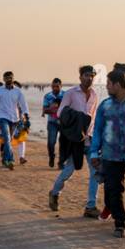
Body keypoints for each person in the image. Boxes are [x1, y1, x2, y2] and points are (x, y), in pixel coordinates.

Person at [89, 69, 125, 237]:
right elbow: (98, 130)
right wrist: (94, 153)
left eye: (108, 83)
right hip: (110, 155)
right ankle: (119, 223)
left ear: (117, 84)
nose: (106, 86)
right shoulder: (105, 105)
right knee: (113, 190)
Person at [48, 65, 100, 216]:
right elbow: (60, 113)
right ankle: (55, 193)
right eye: (86, 75)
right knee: (68, 171)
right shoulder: (71, 93)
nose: (89, 78)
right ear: (80, 77)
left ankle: (90, 206)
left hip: (90, 139)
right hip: (75, 140)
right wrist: (76, 120)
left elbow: (94, 117)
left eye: (92, 76)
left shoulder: (95, 95)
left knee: (95, 172)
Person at [0, 71, 30, 169]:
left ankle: (5, 159)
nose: (9, 79)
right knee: (7, 139)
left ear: (13, 78)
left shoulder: (18, 91)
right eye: (7, 78)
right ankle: (11, 160)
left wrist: (26, 116)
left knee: (9, 140)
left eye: (10, 78)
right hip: (3, 117)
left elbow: (23, 104)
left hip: (14, 119)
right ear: (3, 79)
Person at [41, 78, 63, 167]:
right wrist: (53, 110)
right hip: (52, 123)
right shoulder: (47, 96)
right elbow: (45, 110)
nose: (55, 88)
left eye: (57, 86)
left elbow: (69, 109)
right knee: (51, 142)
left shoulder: (66, 95)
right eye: (53, 86)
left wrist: (57, 110)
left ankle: (61, 162)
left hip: (64, 123)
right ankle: (51, 156)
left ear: (61, 86)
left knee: (63, 143)